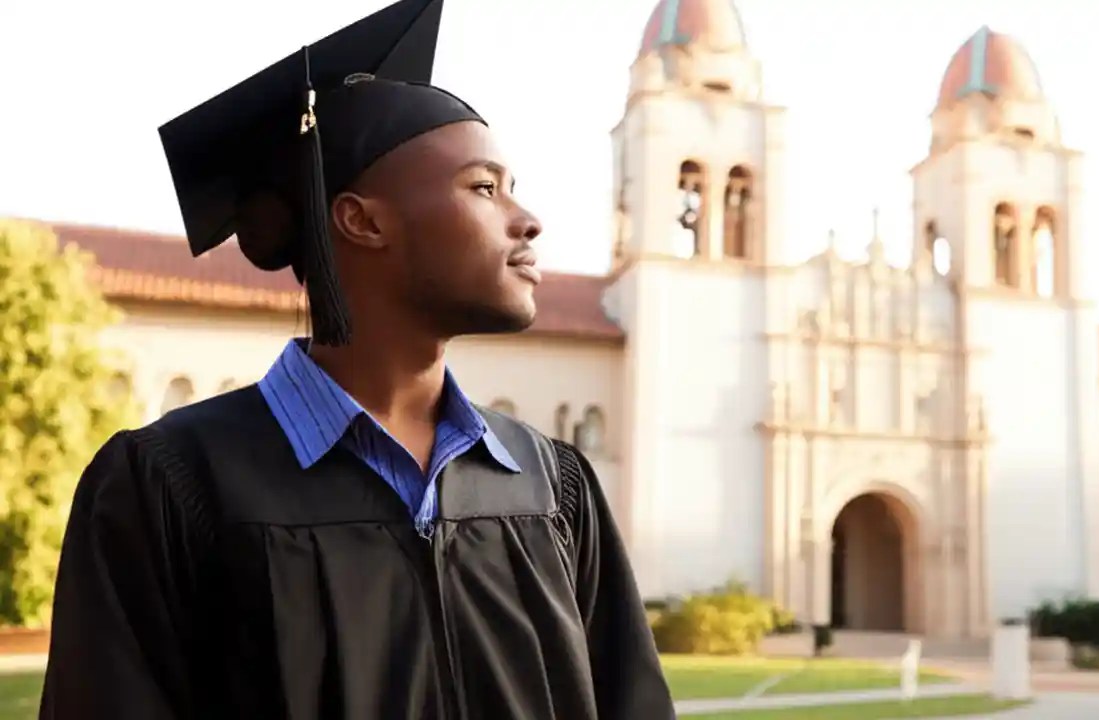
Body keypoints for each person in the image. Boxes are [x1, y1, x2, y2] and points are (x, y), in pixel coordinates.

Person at [38, 1, 676, 718]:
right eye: (484, 188)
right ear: (363, 220)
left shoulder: (554, 487)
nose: (527, 220)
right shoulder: (172, 486)